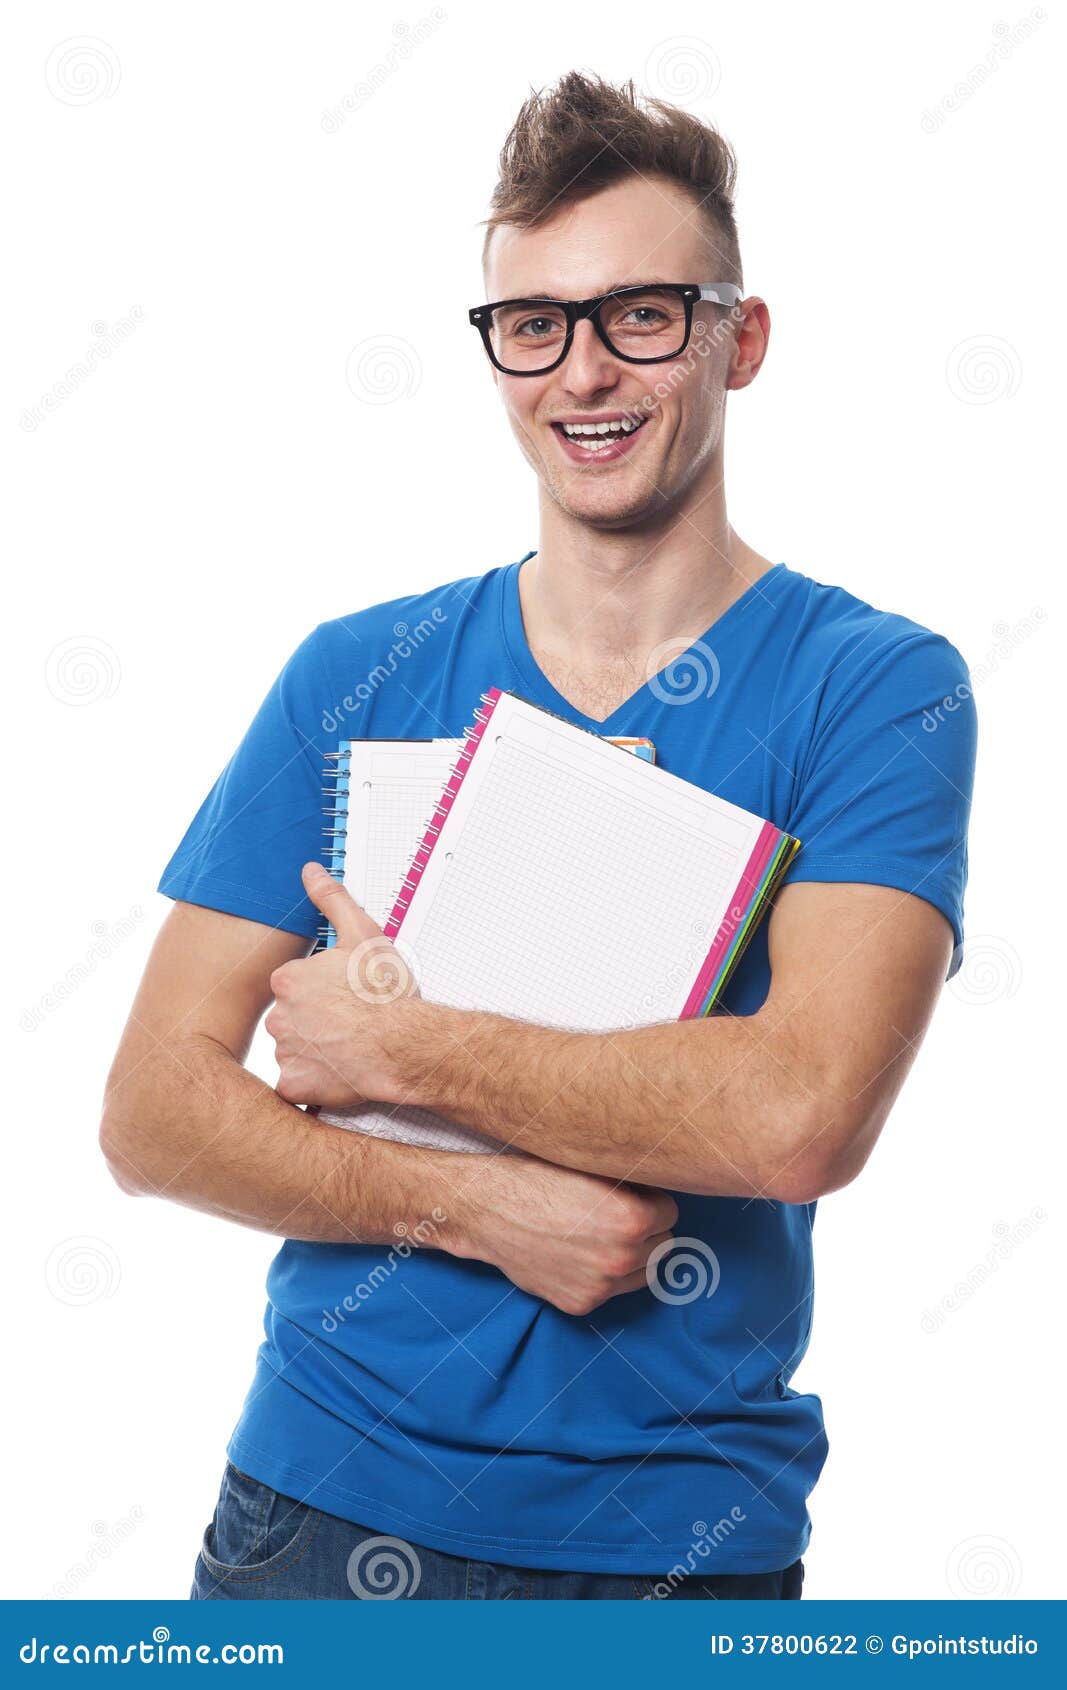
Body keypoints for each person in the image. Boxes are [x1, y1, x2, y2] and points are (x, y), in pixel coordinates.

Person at [100, 72, 976, 1601]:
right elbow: (149, 1108)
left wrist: (404, 1050)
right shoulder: (353, 673)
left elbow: (802, 1116)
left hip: (677, 1548)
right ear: (497, 350)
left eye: (644, 312)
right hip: (312, 1507)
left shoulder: (876, 684)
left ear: (738, 337)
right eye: (535, 325)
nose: (583, 372)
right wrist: (470, 1200)